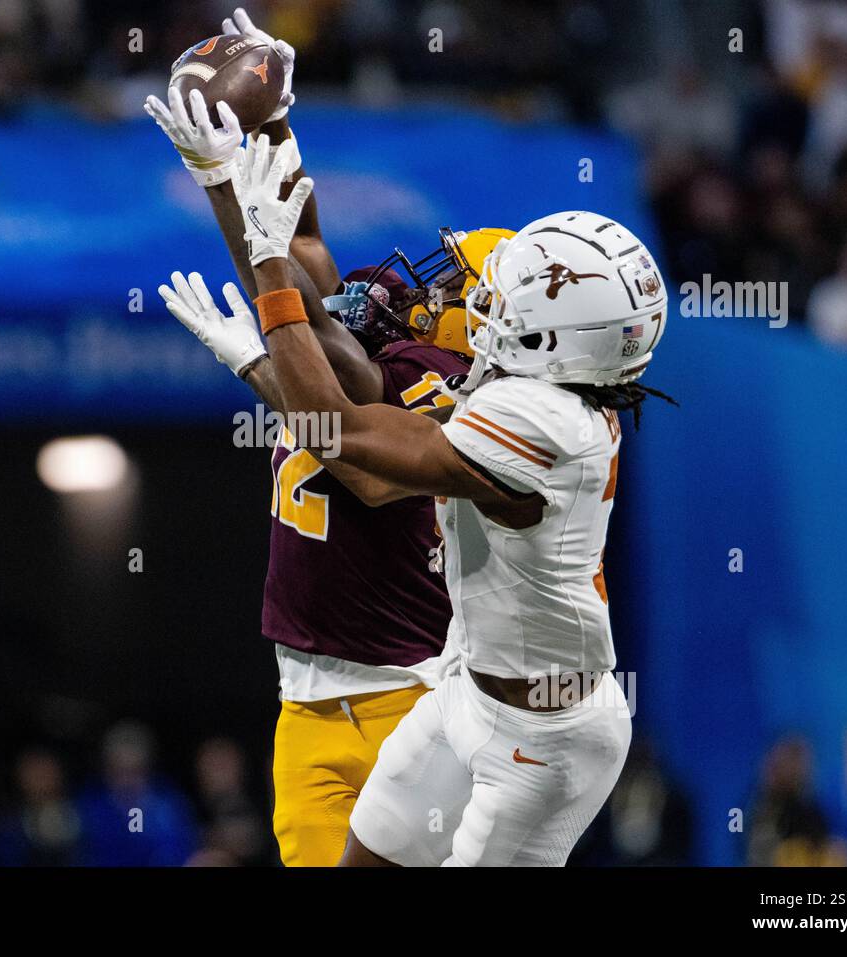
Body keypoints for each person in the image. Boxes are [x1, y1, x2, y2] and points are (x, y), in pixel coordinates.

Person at [167, 126, 676, 864]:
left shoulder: (539, 422)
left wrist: (258, 346)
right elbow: (319, 293)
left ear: (549, 338)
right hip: (465, 689)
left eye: (488, 290)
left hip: (539, 738)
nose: (468, 294)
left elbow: (348, 446)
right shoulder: (531, 386)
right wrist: (272, 125)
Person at [145, 6, 511, 866]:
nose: (432, 280)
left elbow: (358, 460)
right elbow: (299, 244)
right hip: (305, 703)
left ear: (487, 326)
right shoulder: (394, 353)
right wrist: (264, 130)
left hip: (409, 702)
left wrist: (256, 363)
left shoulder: (464, 394)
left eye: (457, 279)